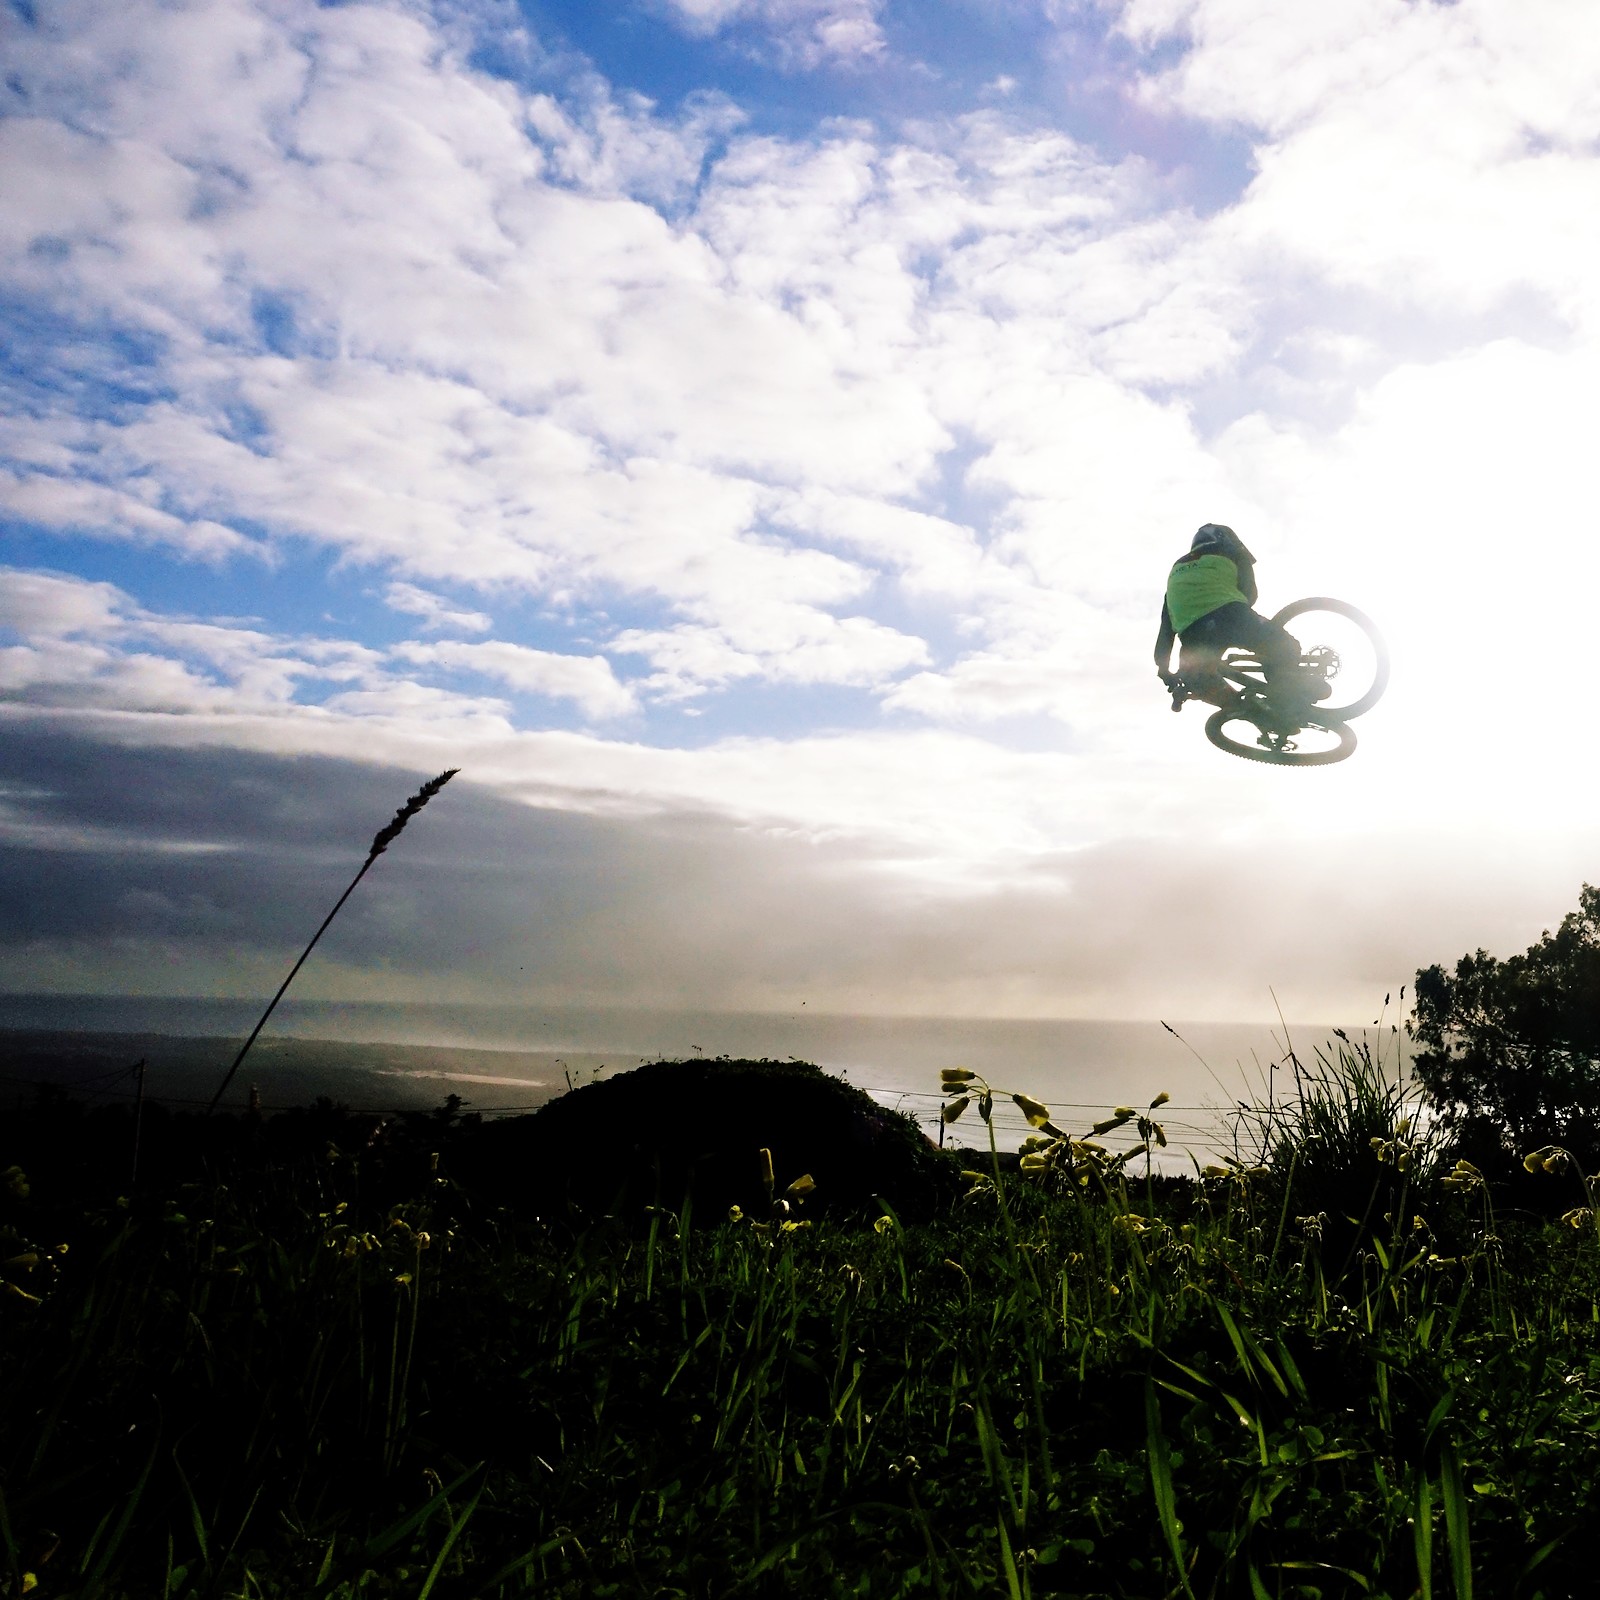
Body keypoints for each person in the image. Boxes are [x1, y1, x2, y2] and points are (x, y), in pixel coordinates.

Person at [1154, 524, 1319, 707]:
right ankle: (1283, 688)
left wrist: (1163, 669)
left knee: (1200, 683)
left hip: (1192, 639)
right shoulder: (1234, 553)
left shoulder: (1174, 578)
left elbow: (1166, 631)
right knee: (1285, 646)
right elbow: (1250, 595)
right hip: (1230, 616)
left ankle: (1251, 711)